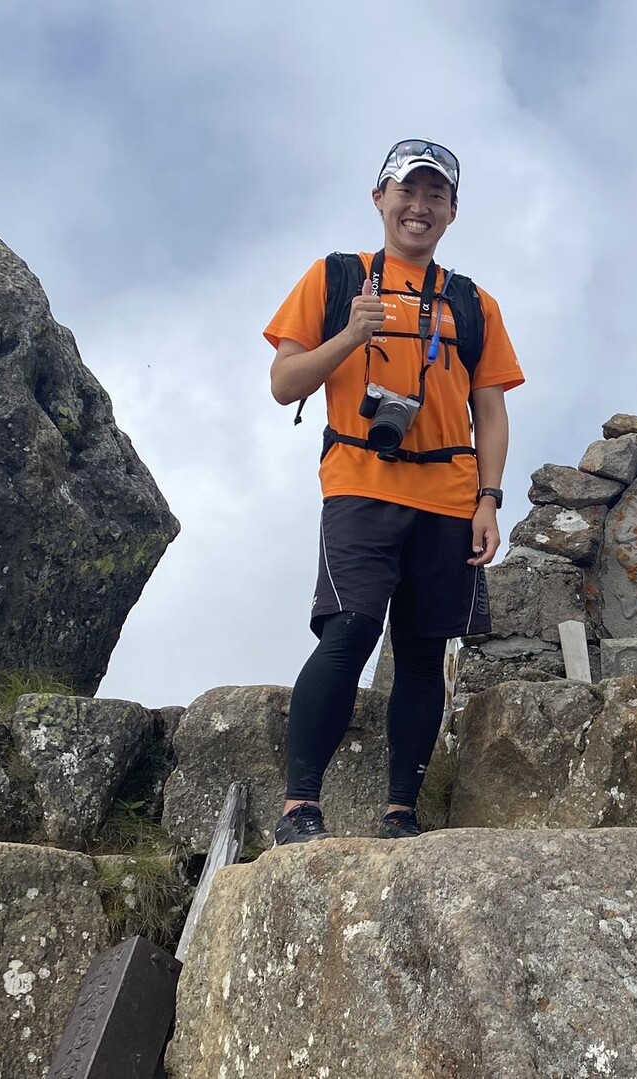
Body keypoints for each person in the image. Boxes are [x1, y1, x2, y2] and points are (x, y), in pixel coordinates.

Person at [263, 139, 524, 845]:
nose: (419, 206)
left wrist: (490, 498)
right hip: (360, 480)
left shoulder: (472, 302)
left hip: (450, 491)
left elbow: (491, 408)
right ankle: (299, 808)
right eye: (407, 192)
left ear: (452, 211)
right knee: (348, 628)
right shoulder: (335, 277)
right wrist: (350, 334)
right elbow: (285, 383)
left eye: (435, 195)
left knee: (423, 646)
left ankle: (400, 812)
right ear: (379, 199)